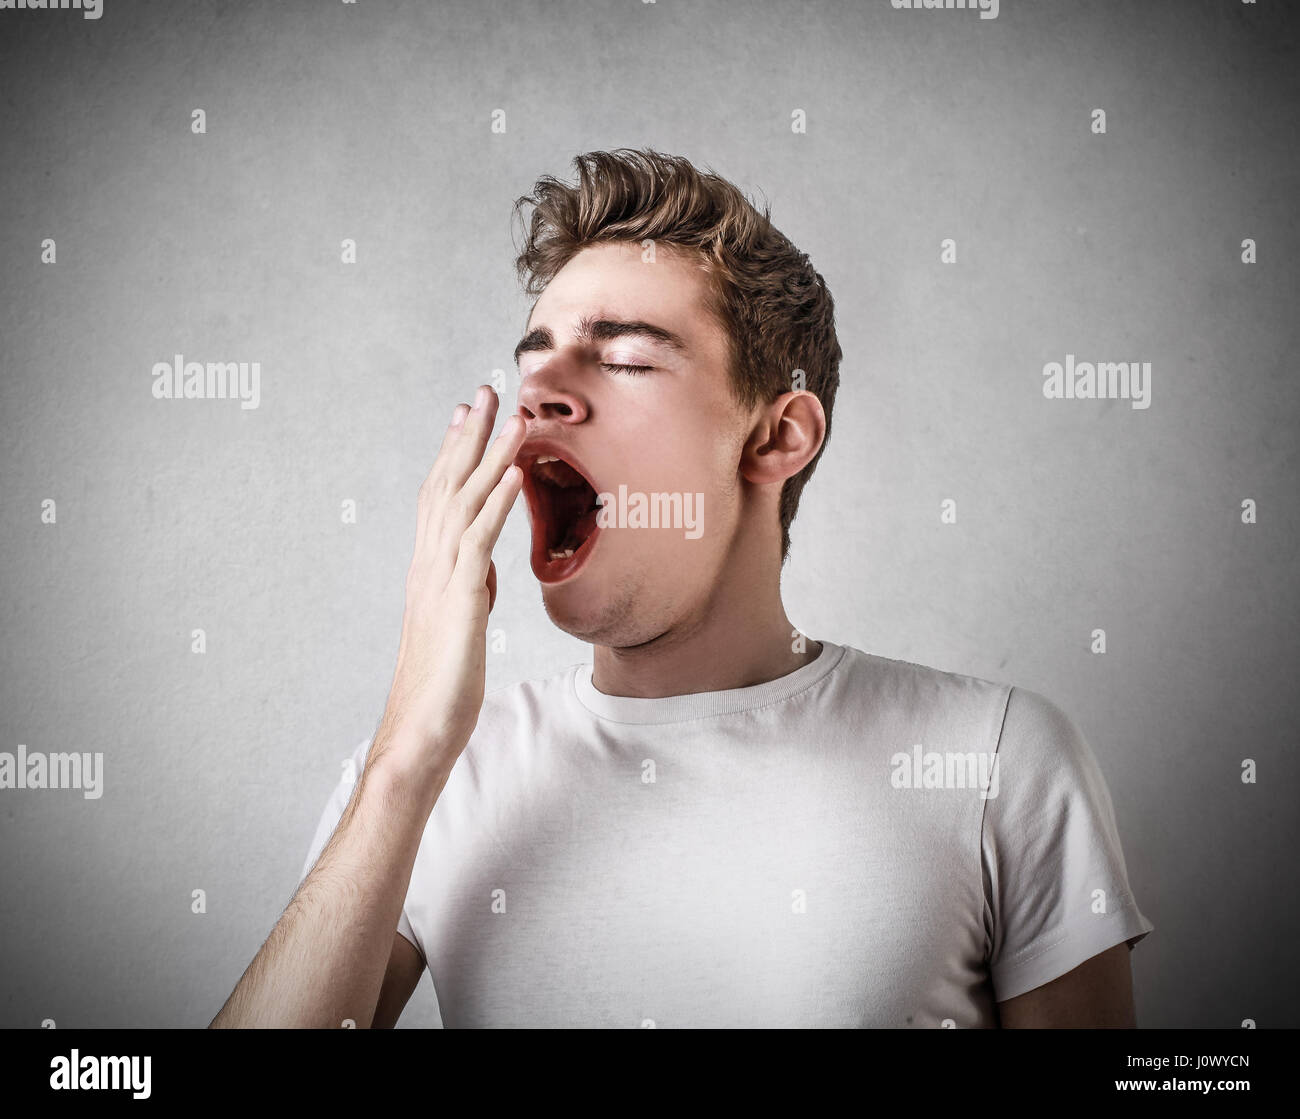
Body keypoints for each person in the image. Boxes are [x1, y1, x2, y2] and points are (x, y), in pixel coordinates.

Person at [211, 149, 1152, 1029]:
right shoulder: (433, 778)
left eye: (623, 357)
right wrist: (407, 753)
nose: (542, 390)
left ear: (776, 437)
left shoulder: (997, 758)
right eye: (534, 358)